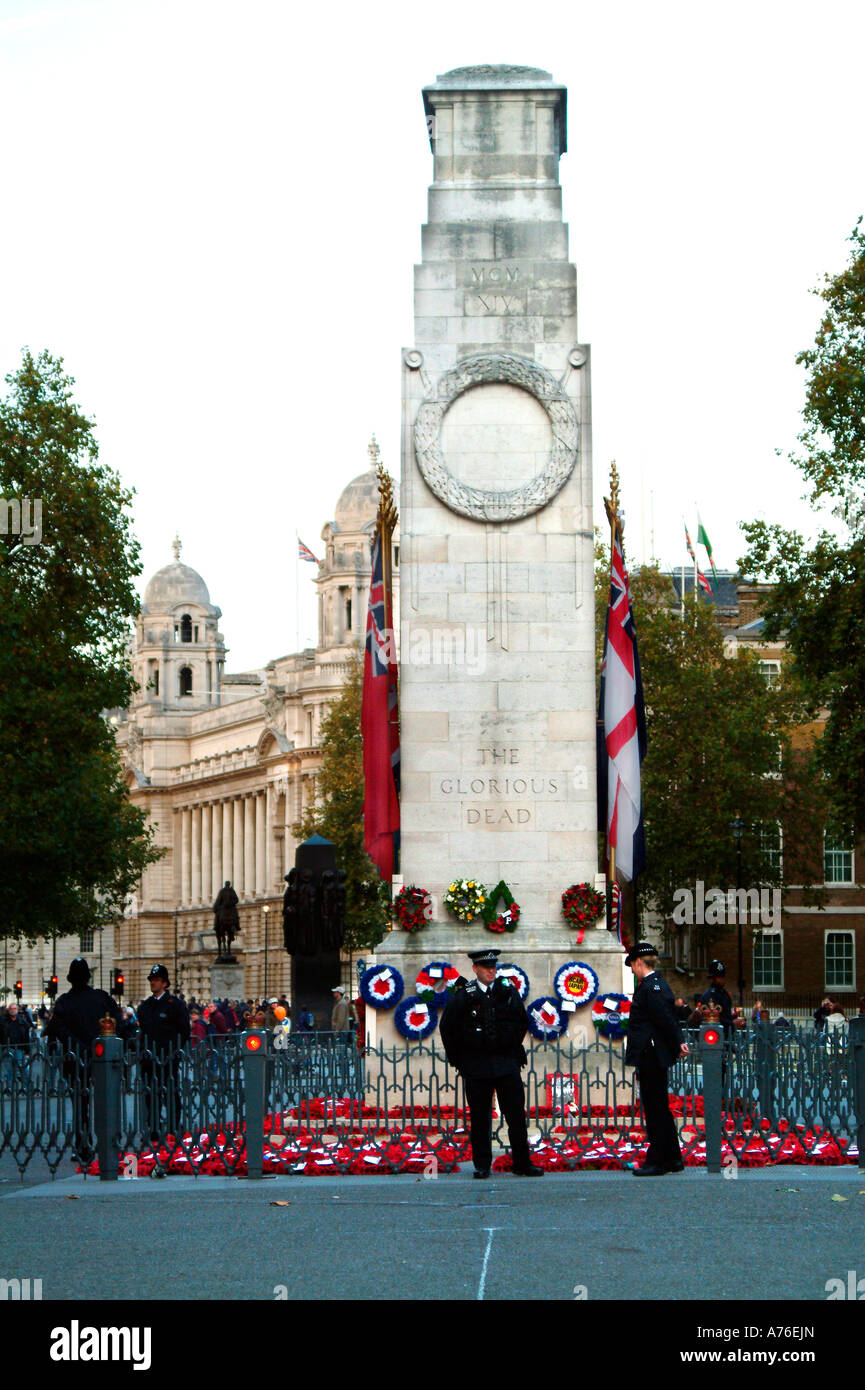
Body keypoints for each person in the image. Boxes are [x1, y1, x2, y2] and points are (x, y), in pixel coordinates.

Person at [439, 948, 543, 1180]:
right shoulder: (464, 995)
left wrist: (512, 1047)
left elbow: (521, 1021)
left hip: (506, 1063)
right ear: (475, 969)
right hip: (476, 1065)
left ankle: (522, 1163)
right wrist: (458, 1059)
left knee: (515, 1115)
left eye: (493, 967)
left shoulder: (507, 991)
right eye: (486, 968)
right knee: (480, 1117)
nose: (491, 971)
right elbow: (448, 1027)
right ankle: (482, 1164)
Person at [44, 958, 126, 1164]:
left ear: (70, 979)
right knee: (106, 1101)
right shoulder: (102, 998)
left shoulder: (64, 1001)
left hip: (75, 1058)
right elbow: (119, 1022)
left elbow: (56, 1028)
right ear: (88, 977)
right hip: (102, 1056)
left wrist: (74, 1043)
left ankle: (82, 1144)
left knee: (80, 1105)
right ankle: (109, 1141)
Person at [624, 941, 689, 1177]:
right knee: (660, 1106)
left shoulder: (651, 987)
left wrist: (677, 1043)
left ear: (639, 962)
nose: (632, 969)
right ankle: (673, 1158)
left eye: (632, 964)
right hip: (652, 1052)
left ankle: (657, 1161)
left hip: (650, 1054)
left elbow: (664, 1019)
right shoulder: (654, 985)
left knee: (654, 1109)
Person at [136, 964, 191, 1140]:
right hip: (149, 1058)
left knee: (171, 1093)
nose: (153, 983)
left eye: (157, 980)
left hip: (168, 1057)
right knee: (151, 1095)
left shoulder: (175, 1005)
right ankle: (153, 1127)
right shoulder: (146, 1006)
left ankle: (174, 1126)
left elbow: (184, 1031)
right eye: (152, 980)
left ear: (165, 983)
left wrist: (175, 1051)